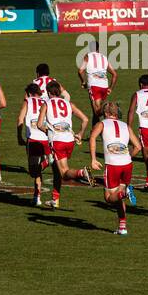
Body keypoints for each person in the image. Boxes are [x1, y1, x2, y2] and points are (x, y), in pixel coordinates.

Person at [88, 101, 142, 236]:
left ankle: (124, 193)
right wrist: (127, 156)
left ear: (106, 113)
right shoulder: (126, 126)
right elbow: (138, 147)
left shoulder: (101, 124)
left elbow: (92, 138)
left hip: (113, 165)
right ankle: (122, 227)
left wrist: (94, 159)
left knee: (108, 197)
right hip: (127, 164)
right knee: (118, 197)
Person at [39, 80, 92, 209]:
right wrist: (80, 133)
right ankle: (55, 199)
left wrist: (49, 131)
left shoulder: (46, 104)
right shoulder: (68, 103)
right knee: (57, 170)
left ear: (49, 93)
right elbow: (85, 119)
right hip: (69, 140)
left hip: (57, 141)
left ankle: (81, 173)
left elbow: (40, 124)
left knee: (63, 173)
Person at [18, 83, 51, 206]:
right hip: (46, 137)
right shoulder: (47, 101)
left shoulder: (27, 101)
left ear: (29, 93)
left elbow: (20, 119)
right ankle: (37, 197)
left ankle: (47, 161)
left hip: (33, 139)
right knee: (38, 171)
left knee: (33, 171)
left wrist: (19, 137)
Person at [78, 41, 117, 121]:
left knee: (97, 112)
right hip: (104, 86)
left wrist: (83, 82)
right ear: (98, 48)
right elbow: (115, 74)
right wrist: (111, 88)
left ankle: (112, 110)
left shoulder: (88, 56)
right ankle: (96, 131)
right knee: (97, 113)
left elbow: (81, 71)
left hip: (94, 85)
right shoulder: (104, 57)